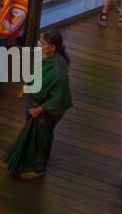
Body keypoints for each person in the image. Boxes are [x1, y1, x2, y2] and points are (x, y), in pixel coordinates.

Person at [4, 29, 73, 180]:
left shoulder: (57, 70)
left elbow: (59, 98)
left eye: (42, 44)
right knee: (33, 134)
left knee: (42, 138)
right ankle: (28, 160)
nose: (39, 46)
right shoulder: (46, 56)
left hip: (43, 109)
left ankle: (38, 168)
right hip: (34, 102)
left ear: (52, 47)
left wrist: (41, 109)